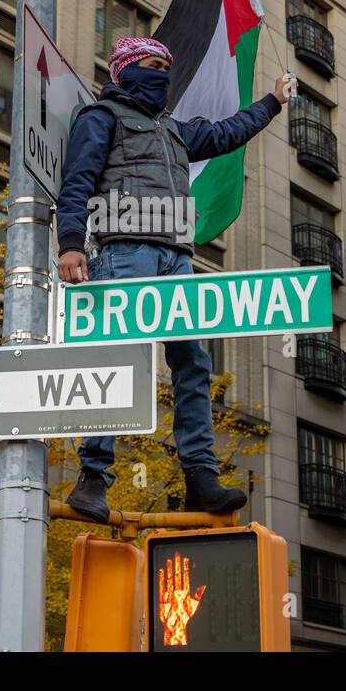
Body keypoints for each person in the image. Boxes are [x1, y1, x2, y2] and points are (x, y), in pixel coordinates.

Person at [57, 35, 295, 522]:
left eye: (168, 65)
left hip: (176, 260)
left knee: (192, 363)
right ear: (125, 69)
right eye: (152, 64)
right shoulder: (100, 118)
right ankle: (93, 478)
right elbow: (77, 180)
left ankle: (200, 478)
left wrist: (272, 101)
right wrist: (71, 243)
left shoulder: (175, 131)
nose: (163, 73)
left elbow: (228, 132)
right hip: (124, 253)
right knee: (119, 360)